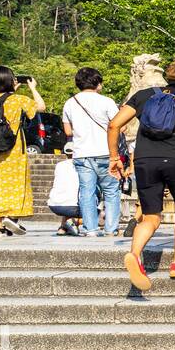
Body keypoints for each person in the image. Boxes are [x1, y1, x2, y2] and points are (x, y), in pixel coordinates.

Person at [108, 58, 175, 291]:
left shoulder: (145, 95)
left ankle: (135, 254)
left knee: (150, 217)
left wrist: (115, 158)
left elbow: (114, 125)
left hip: (146, 160)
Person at [0, 67, 44, 236]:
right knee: (15, 185)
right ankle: (11, 217)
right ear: (10, 81)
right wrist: (32, 88)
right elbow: (41, 107)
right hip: (12, 150)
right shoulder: (18, 100)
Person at [61, 67, 122, 237]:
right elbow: (119, 125)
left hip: (82, 153)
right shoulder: (107, 102)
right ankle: (111, 229)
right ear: (98, 83)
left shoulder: (70, 102)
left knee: (87, 192)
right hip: (106, 152)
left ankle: (91, 229)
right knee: (111, 191)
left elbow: (68, 131)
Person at [47, 144, 83, 237]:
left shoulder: (59, 165)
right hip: (74, 206)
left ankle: (63, 227)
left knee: (68, 196)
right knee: (96, 213)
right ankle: (74, 222)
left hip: (54, 205)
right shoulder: (82, 165)